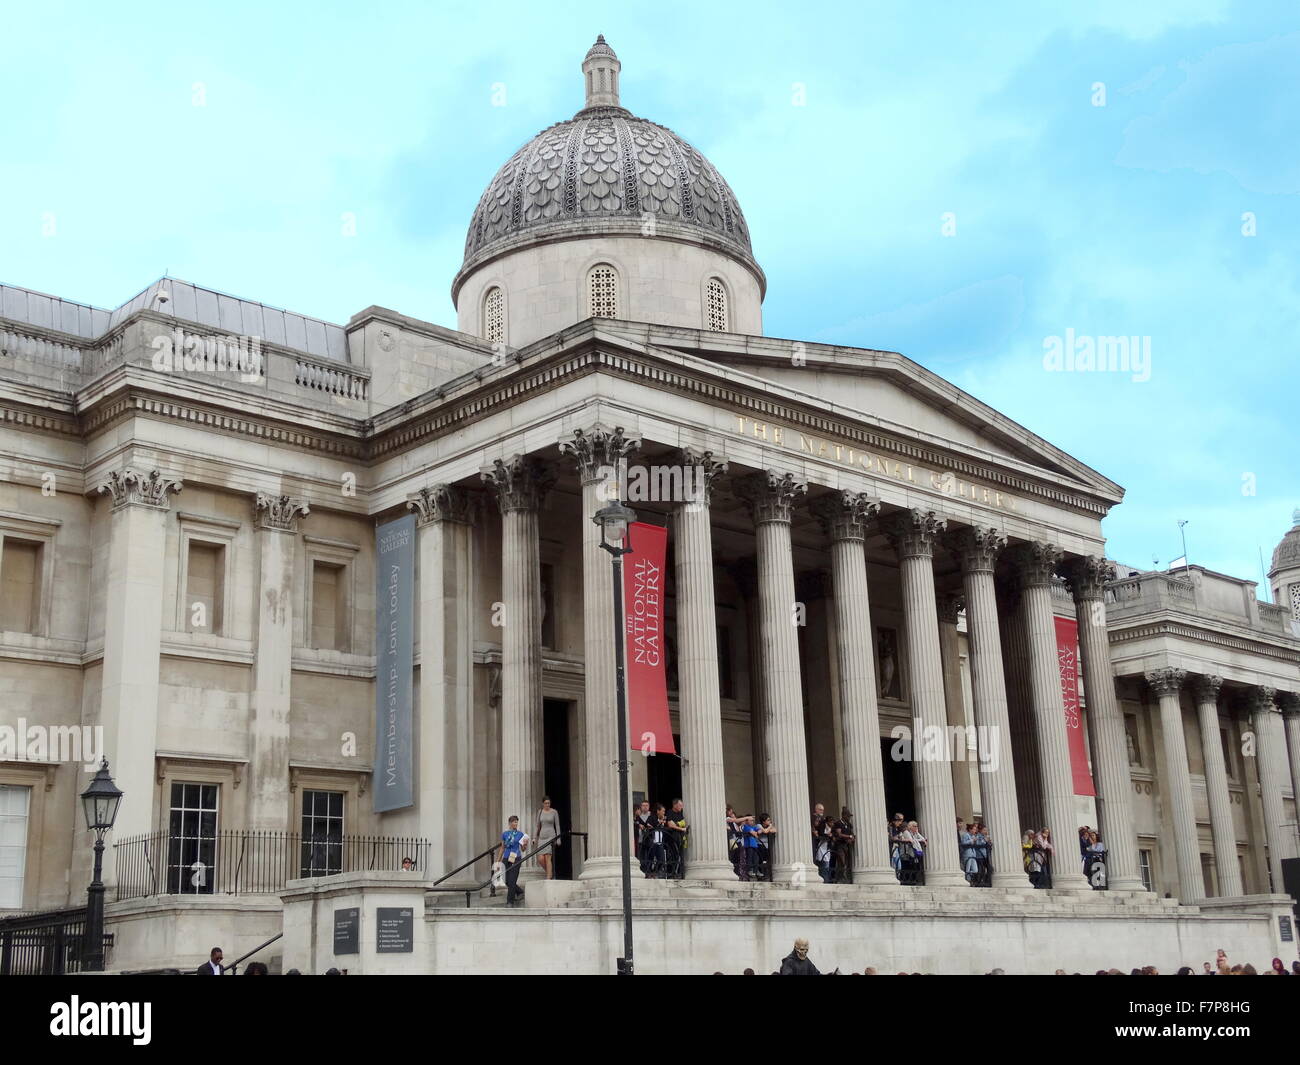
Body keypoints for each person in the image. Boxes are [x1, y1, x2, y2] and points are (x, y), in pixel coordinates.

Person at [498, 814, 530, 905]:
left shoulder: (520, 834)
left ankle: (510, 902)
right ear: (510, 823)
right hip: (506, 857)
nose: (515, 823)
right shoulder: (505, 834)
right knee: (505, 880)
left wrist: (524, 845)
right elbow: (502, 848)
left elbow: (523, 849)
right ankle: (519, 891)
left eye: (516, 822)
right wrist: (498, 861)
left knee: (512, 880)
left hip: (516, 857)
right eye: (514, 822)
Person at [534, 796, 561, 880]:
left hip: (551, 836)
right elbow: (537, 826)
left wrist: (558, 838)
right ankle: (550, 873)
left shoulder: (554, 812)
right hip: (542, 837)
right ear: (543, 804)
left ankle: (548, 877)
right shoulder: (540, 812)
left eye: (548, 803)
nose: (547, 805)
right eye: (545, 803)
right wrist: (535, 838)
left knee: (547, 857)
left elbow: (557, 825)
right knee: (540, 859)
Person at [665, 798, 688, 878]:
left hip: (680, 837)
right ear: (674, 805)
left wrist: (677, 825)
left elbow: (683, 823)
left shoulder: (680, 814)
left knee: (680, 855)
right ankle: (671, 873)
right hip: (672, 838)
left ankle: (679, 873)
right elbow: (670, 825)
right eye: (680, 805)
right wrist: (681, 828)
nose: (681, 807)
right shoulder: (670, 812)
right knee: (673, 855)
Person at [643, 804, 668, 878]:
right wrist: (659, 823)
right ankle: (648, 873)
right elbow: (648, 825)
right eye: (663, 811)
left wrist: (661, 823)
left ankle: (655, 872)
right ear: (658, 811)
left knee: (662, 859)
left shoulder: (662, 820)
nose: (664, 813)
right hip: (652, 841)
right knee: (650, 858)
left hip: (659, 842)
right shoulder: (652, 817)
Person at [831, 807, 855, 884]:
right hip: (840, 845)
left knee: (848, 862)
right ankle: (839, 879)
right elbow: (839, 834)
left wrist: (852, 838)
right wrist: (849, 837)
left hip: (847, 845)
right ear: (844, 816)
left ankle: (847, 878)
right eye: (848, 816)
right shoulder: (838, 823)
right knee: (841, 862)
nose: (849, 818)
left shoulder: (849, 825)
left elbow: (851, 834)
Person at [811, 803, 834, 883]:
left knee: (826, 862)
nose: (822, 811)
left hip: (825, 845)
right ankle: (824, 878)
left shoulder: (823, 820)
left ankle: (826, 878)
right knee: (821, 862)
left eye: (823, 810)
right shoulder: (813, 817)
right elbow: (816, 828)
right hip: (817, 843)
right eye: (820, 810)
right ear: (816, 809)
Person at [634, 800, 654, 875]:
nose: (645, 807)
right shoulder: (638, 816)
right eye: (643, 805)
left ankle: (649, 871)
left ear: (649, 807)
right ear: (641, 807)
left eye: (646, 805)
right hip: (640, 839)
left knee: (650, 855)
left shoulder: (652, 816)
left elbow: (655, 825)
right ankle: (643, 871)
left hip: (650, 839)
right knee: (641, 856)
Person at [740, 814, 762, 881]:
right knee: (749, 859)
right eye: (751, 820)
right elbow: (753, 833)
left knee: (756, 859)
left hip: (755, 846)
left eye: (753, 821)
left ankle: (755, 871)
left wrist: (757, 832)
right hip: (748, 846)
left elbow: (760, 830)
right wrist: (756, 833)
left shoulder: (753, 827)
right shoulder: (746, 827)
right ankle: (749, 871)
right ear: (746, 821)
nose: (752, 822)